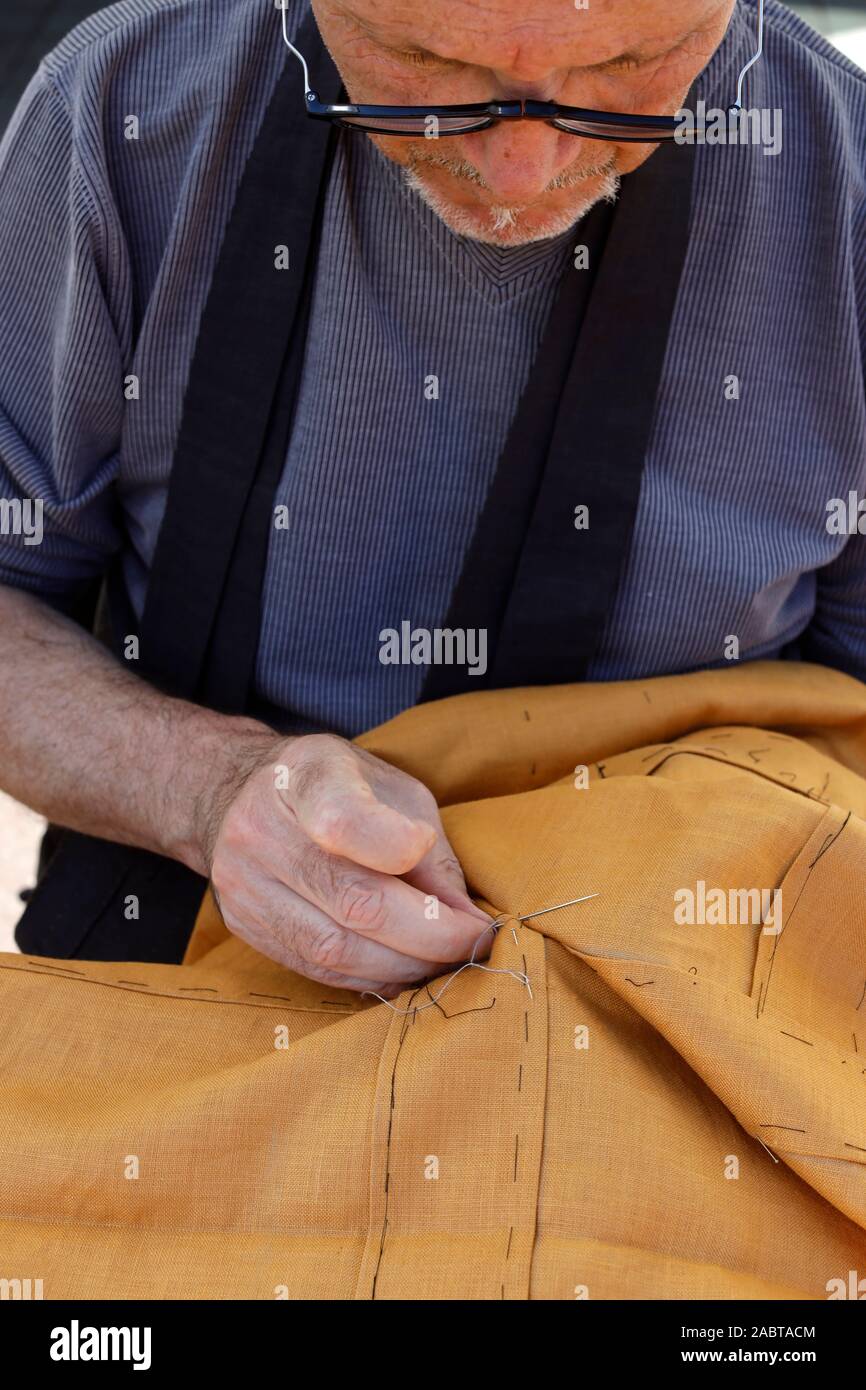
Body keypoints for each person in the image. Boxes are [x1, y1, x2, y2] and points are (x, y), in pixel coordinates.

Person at [0, 0, 863, 986]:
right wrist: (205, 788)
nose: (519, 174)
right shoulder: (125, 112)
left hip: (698, 975)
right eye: (427, 61)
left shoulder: (844, 186)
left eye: (631, 62)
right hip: (203, 952)